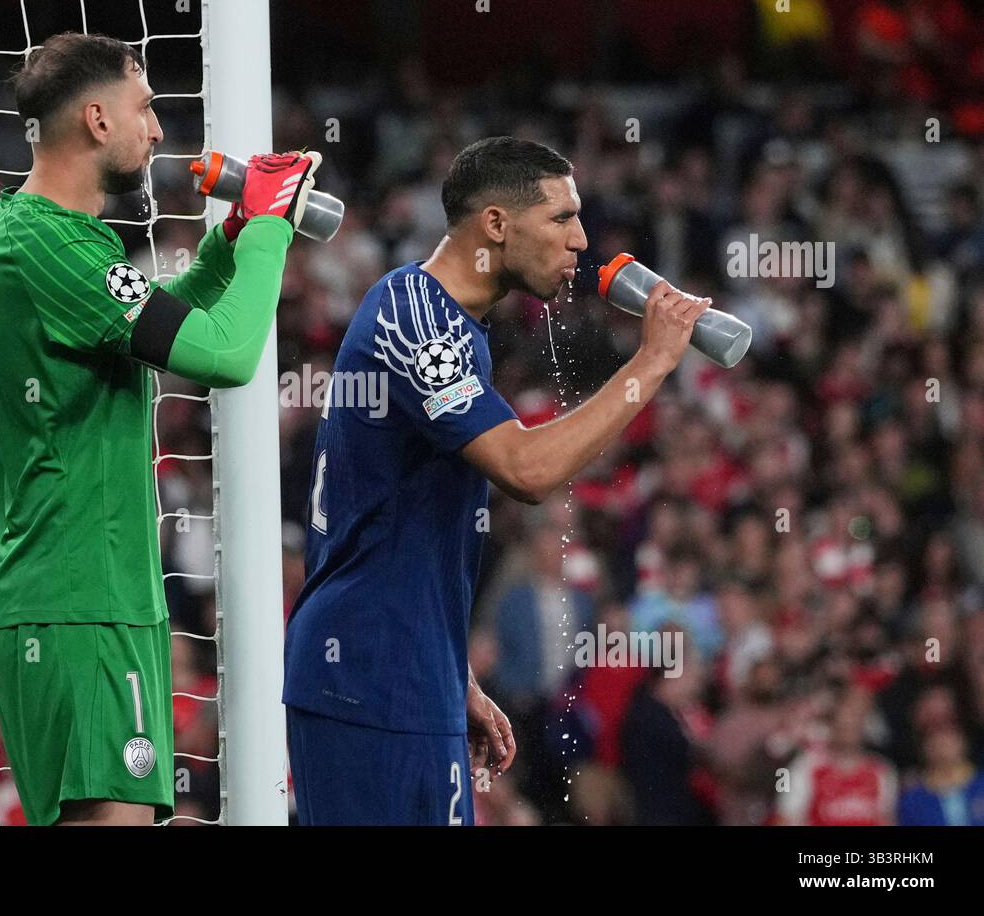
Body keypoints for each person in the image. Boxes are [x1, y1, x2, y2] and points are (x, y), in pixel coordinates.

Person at [283, 136, 712, 825]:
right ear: (496, 225)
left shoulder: (460, 330)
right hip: (362, 673)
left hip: (415, 673)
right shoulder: (412, 310)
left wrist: (452, 673)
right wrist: (651, 362)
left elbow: (406, 528)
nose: (580, 240)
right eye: (561, 218)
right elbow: (527, 469)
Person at [0, 31, 321, 825]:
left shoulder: (8, 232)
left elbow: (151, 323)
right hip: (80, 594)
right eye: (146, 108)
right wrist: (270, 229)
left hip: (75, 590)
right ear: (95, 119)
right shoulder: (47, 245)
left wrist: (227, 247)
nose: (157, 130)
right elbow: (225, 355)